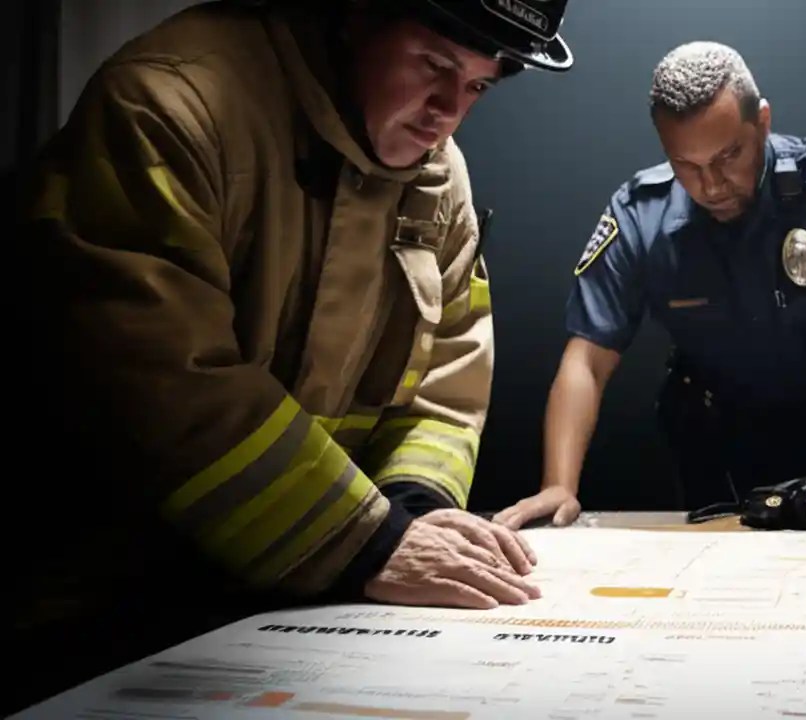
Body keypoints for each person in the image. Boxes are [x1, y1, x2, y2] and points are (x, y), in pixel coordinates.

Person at [12, 0, 574, 710]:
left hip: (289, 610)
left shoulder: (440, 178)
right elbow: (163, 386)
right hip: (100, 607)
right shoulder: (170, 105)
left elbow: (447, 372)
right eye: (433, 66)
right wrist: (369, 543)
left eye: (478, 86)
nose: (448, 111)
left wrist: (414, 506)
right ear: (350, 16)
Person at [495, 41, 806, 530]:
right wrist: (558, 485)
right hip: (714, 445)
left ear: (763, 122)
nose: (711, 184)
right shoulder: (639, 215)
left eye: (729, 154)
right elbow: (588, 360)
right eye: (687, 165)